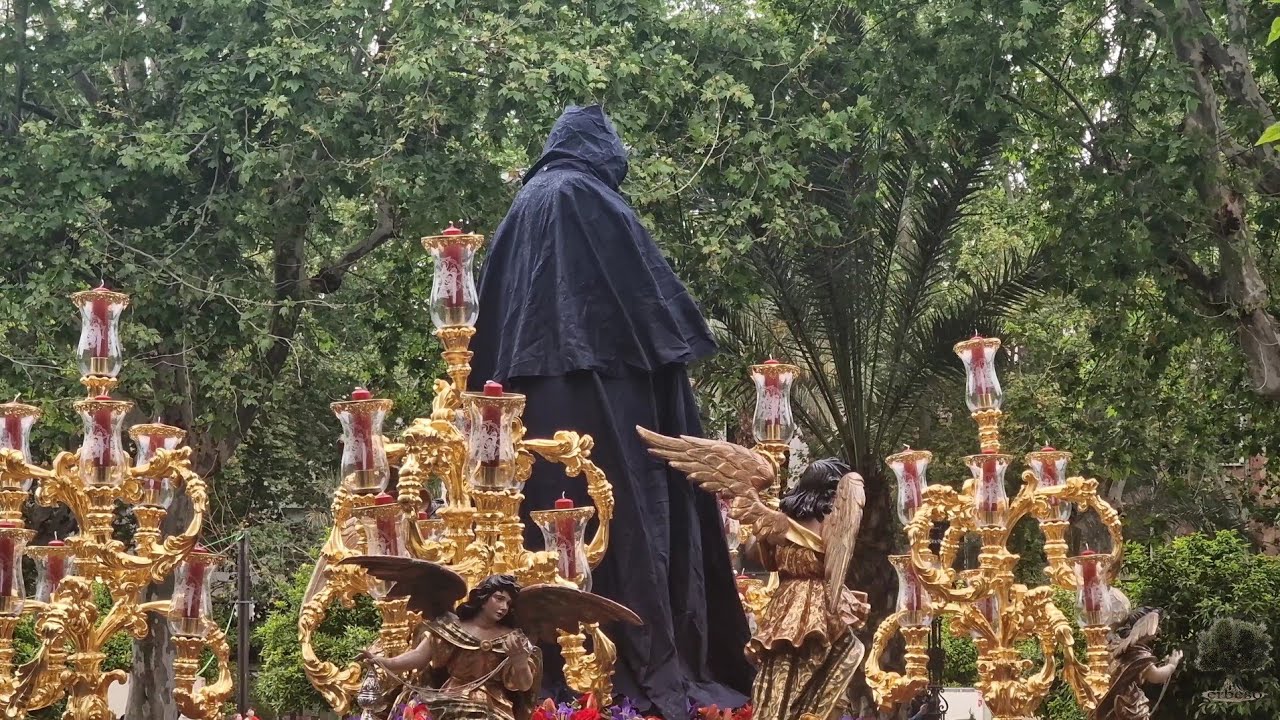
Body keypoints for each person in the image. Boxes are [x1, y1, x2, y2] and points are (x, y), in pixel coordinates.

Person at [469, 104, 753, 717]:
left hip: (526, 414)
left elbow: (483, 331)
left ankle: (543, 673)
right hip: (611, 403)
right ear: (600, 147)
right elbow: (656, 316)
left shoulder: (519, 213)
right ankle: (625, 666)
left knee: (535, 534)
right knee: (623, 524)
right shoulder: (592, 198)